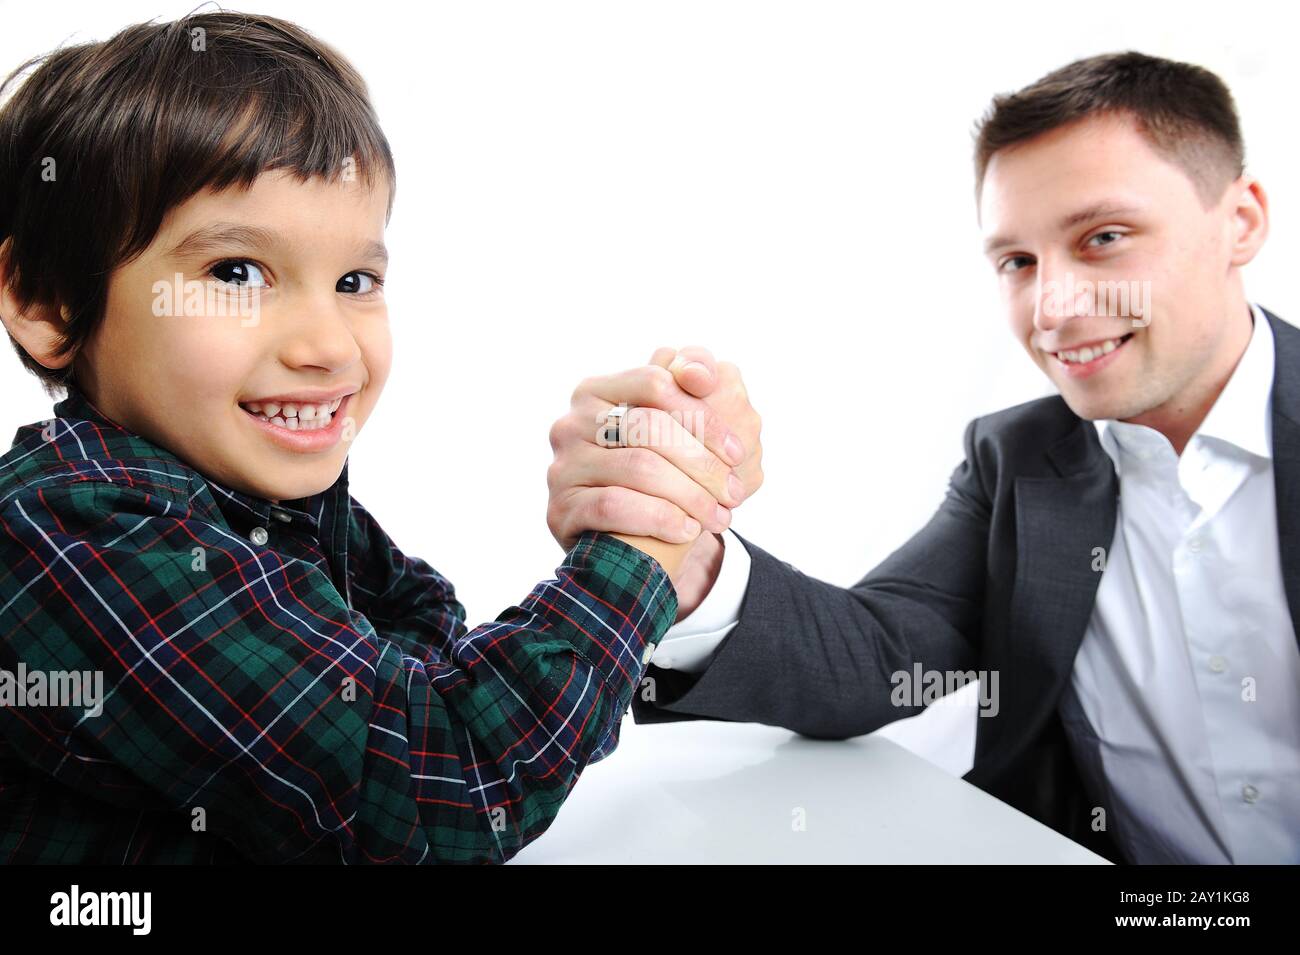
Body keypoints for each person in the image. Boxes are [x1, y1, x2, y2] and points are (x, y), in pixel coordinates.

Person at [0, 11, 718, 864]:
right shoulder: (65, 526)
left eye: (354, 280)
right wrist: (637, 547)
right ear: (47, 302)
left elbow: (429, 638)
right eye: (237, 272)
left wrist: (637, 502)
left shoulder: (254, 502)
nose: (329, 346)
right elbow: (437, 788)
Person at [549, 52, 1300, 864]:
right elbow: (874, 655)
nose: (1051, 307)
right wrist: (683, 548)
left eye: (1105, 238)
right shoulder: (1016, 462)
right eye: (1017, 262)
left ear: (1242, 221)